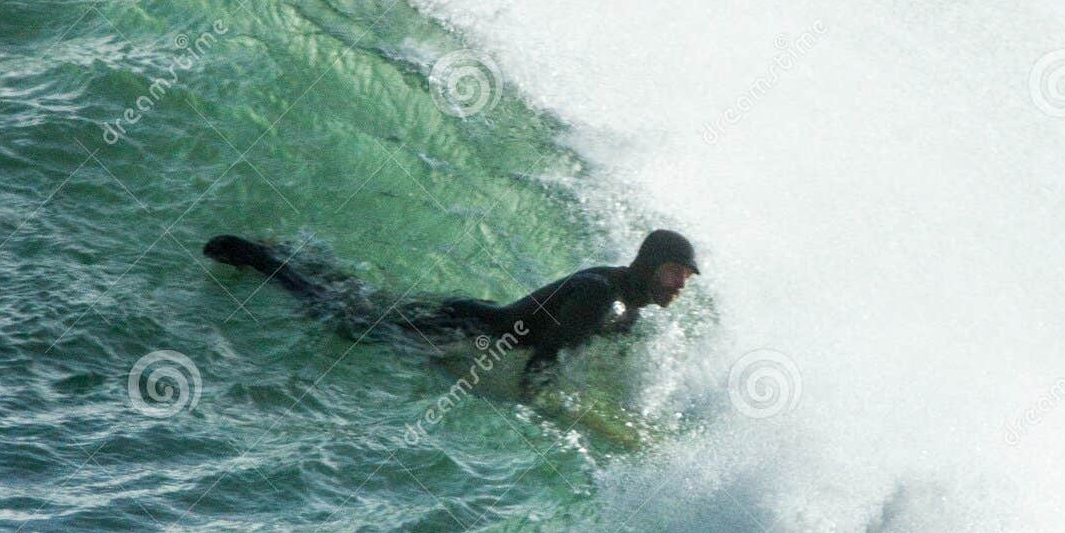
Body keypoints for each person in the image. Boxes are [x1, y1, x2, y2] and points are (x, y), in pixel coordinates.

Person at [202, 229, 700, 382]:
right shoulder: (601, 295)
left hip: (473, 317)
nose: (680, 284)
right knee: (341, 320)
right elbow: (544, 360)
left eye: (685, 277)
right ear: (650, 264)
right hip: (460, 328)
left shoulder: (626, 304)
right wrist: (536, 415)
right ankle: (260, 259)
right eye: (675, 272)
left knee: (356, 303)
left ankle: (296, 254)